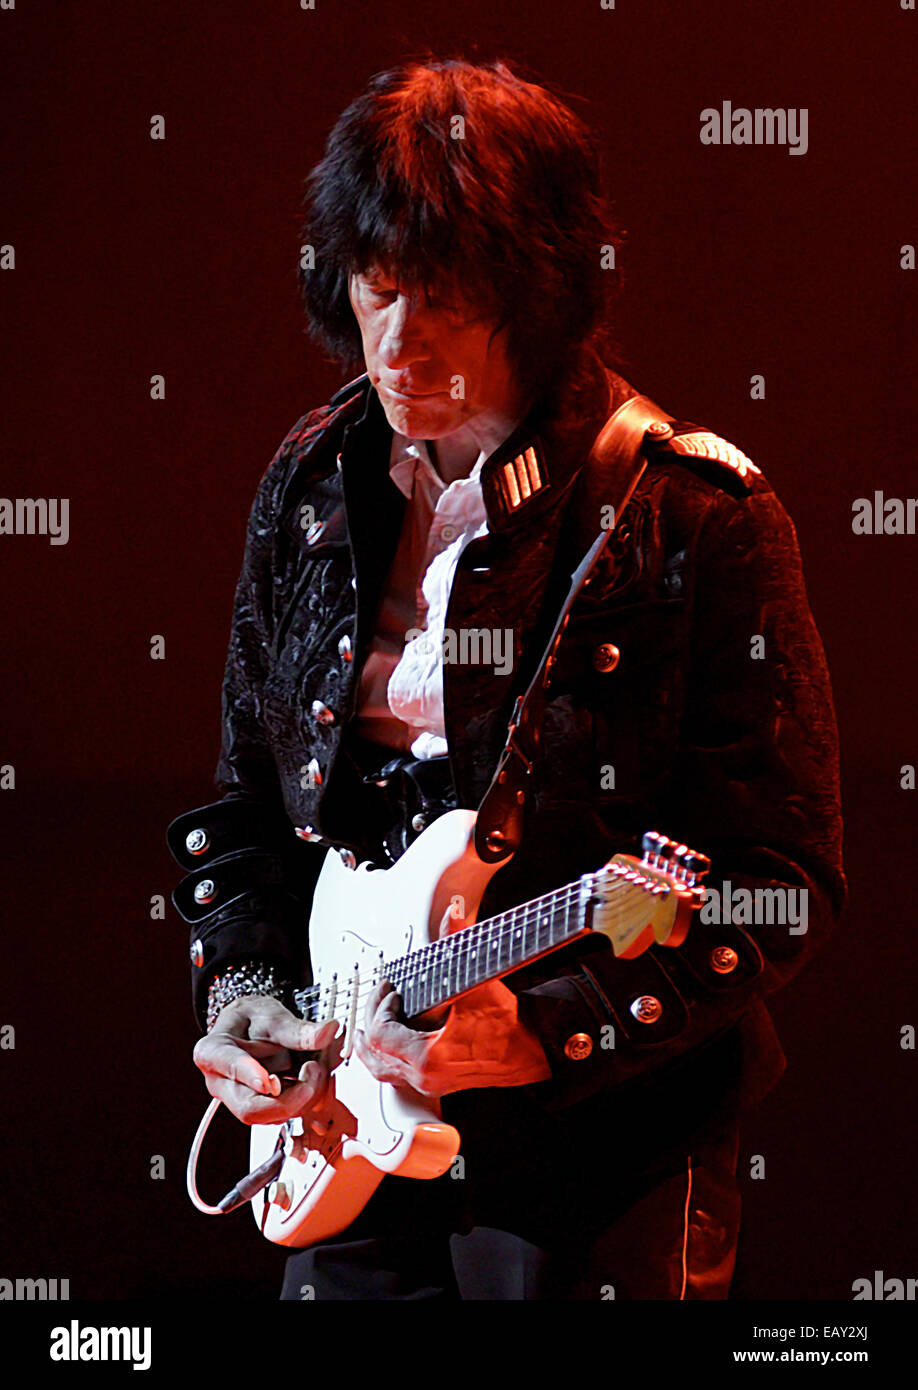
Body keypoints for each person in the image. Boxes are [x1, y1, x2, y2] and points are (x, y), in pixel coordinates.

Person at [167, 57, 846, 1300]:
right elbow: (247, 803)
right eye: (375, 293)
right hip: (345, 1120)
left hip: (607, 1150)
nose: (397, 343)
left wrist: (546, 1030)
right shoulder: (311, 483)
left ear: (537, 294)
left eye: (442, 299)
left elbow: (778, 886)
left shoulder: (691, 514)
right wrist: (248, 994)